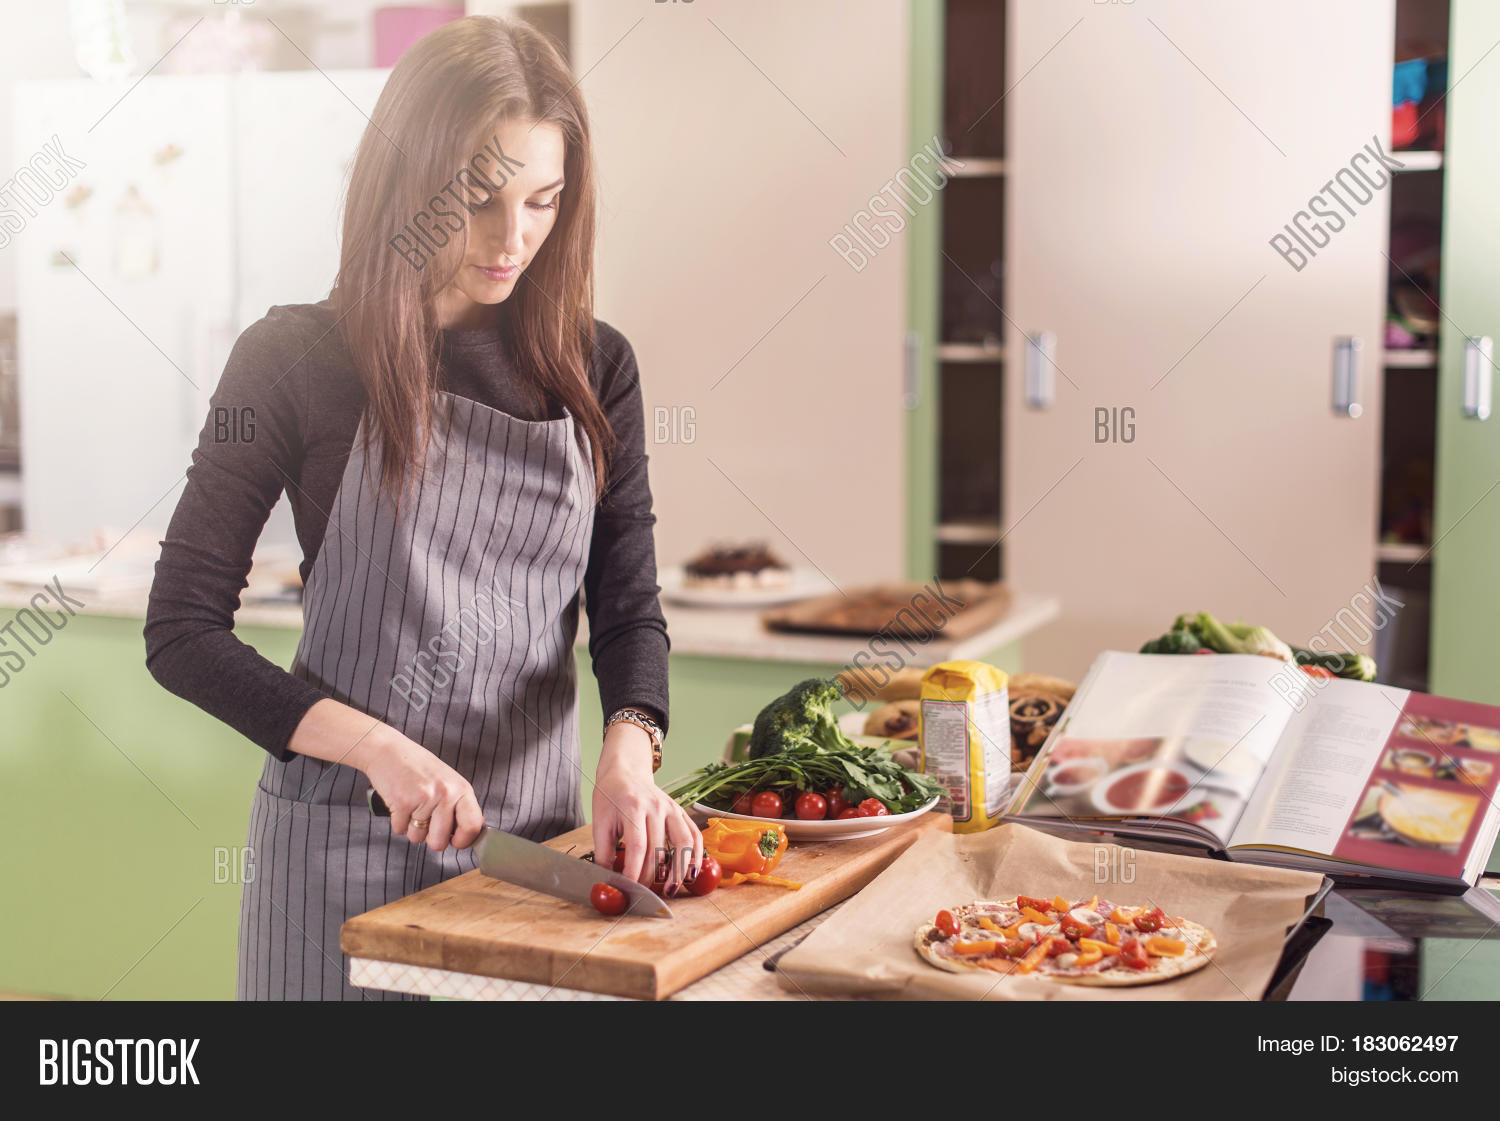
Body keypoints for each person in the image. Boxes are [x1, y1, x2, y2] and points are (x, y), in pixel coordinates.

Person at [144, 15, 702, 1000]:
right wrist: (378, 747)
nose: (514, 238)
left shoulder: (595, 367)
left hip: (532, 855)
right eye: (481, 199)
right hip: (339, 851)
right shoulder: (291, 360)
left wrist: (630, 752)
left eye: (544, 201)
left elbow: (627, 607)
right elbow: (182, 630)